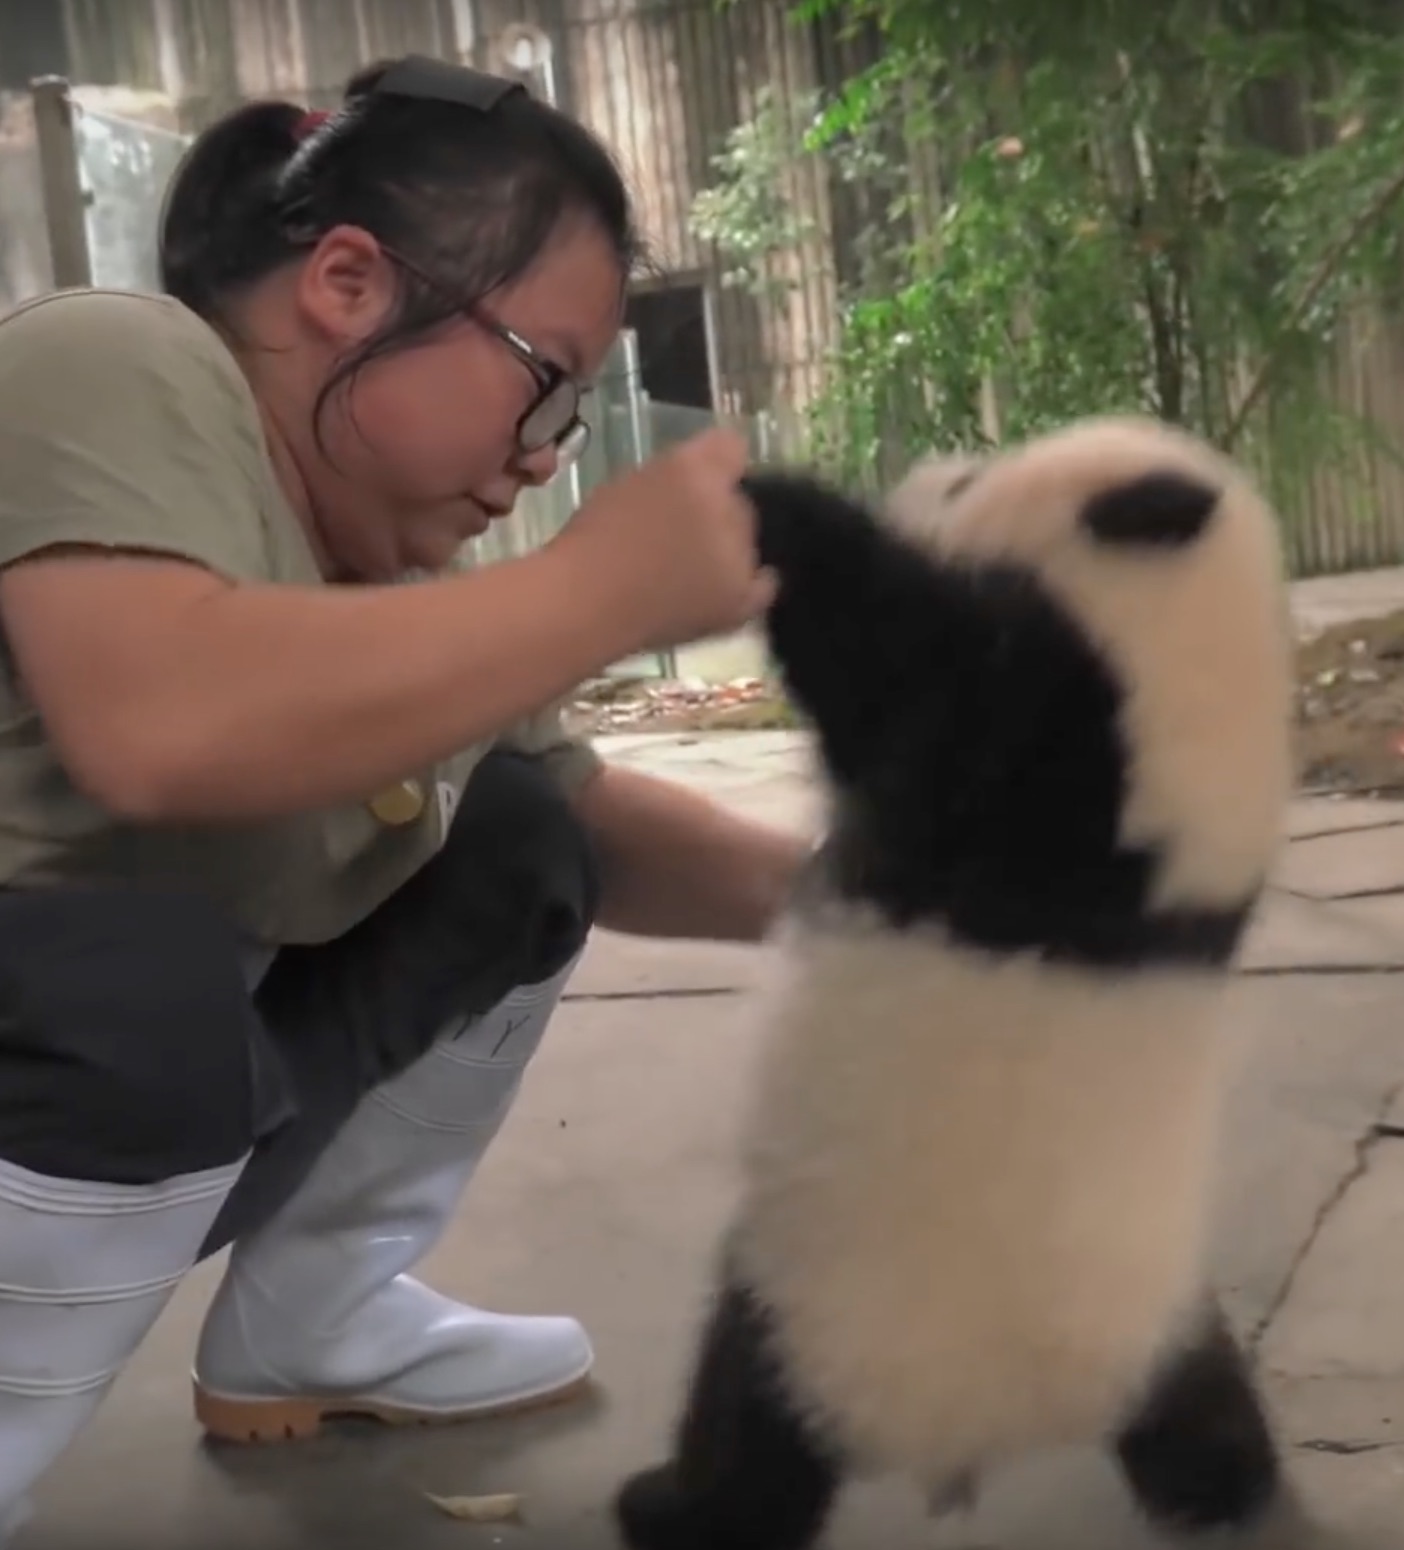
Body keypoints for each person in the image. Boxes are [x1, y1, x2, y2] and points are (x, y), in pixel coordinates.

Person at [0, 53, 807, 1538]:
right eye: (542, 379)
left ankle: (314, 1317)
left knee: (520, 840)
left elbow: (595, 823)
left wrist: (894, 906)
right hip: (87, 1049)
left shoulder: (388, 590)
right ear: (350, 284)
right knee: (141, 984)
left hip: (107, 1100)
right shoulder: (114, 356)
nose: (542, 462)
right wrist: (597, 587)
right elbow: (157, 720)